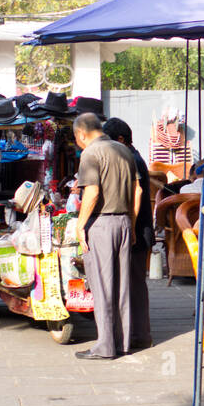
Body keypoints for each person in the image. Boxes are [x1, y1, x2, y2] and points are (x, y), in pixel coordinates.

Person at [73, 113, 141, 360]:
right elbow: (138, 191)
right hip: (123, 221)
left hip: (102, 224)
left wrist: (80, 226)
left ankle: (105, 347)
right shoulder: (123, 150)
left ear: (81, 133)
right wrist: (131, 225)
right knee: (121, 286)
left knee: (102, 287)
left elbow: (91, 193)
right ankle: (121, 343)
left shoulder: (90, 153)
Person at [103, 116, 152, 350]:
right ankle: (136, 334)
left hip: (138, 231)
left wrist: (131, 228)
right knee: (133, 284)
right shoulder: (131, 156)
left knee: (133, 284)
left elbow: (138, 192)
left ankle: (138, 335)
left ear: (121, 140)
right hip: (137, 229)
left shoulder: (131, 158)